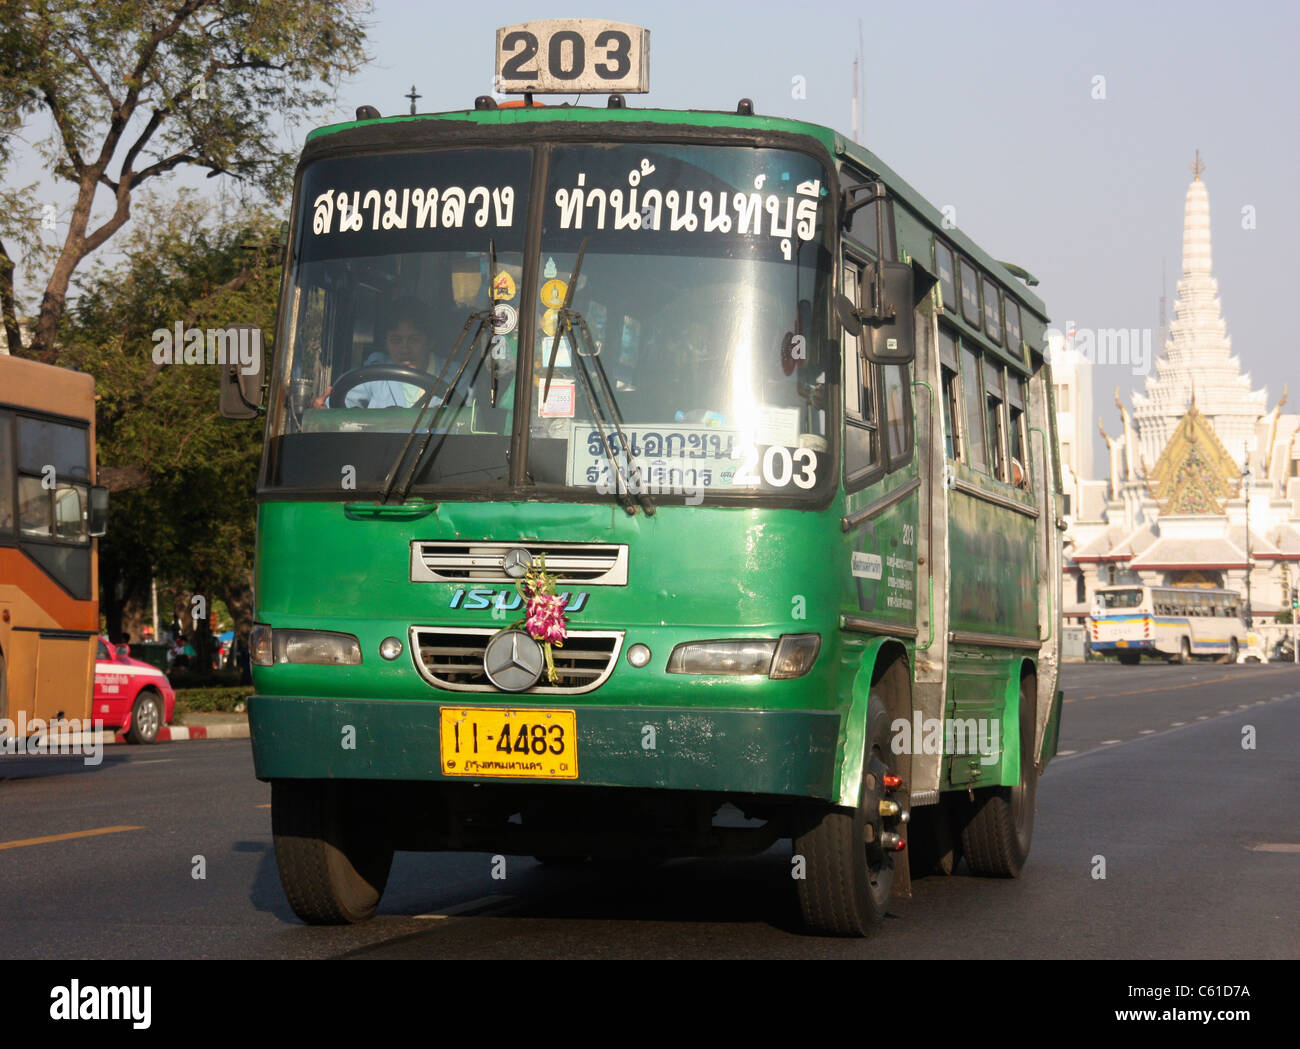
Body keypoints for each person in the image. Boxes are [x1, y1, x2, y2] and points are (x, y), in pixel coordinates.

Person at [313, 299, 444, 409]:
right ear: (386, 343)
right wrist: (324, 407)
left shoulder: (457, 378)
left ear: (431, 341)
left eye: (414, 339)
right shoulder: (375, 374)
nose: (404, 349)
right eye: (396, 340)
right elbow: (340, 404)